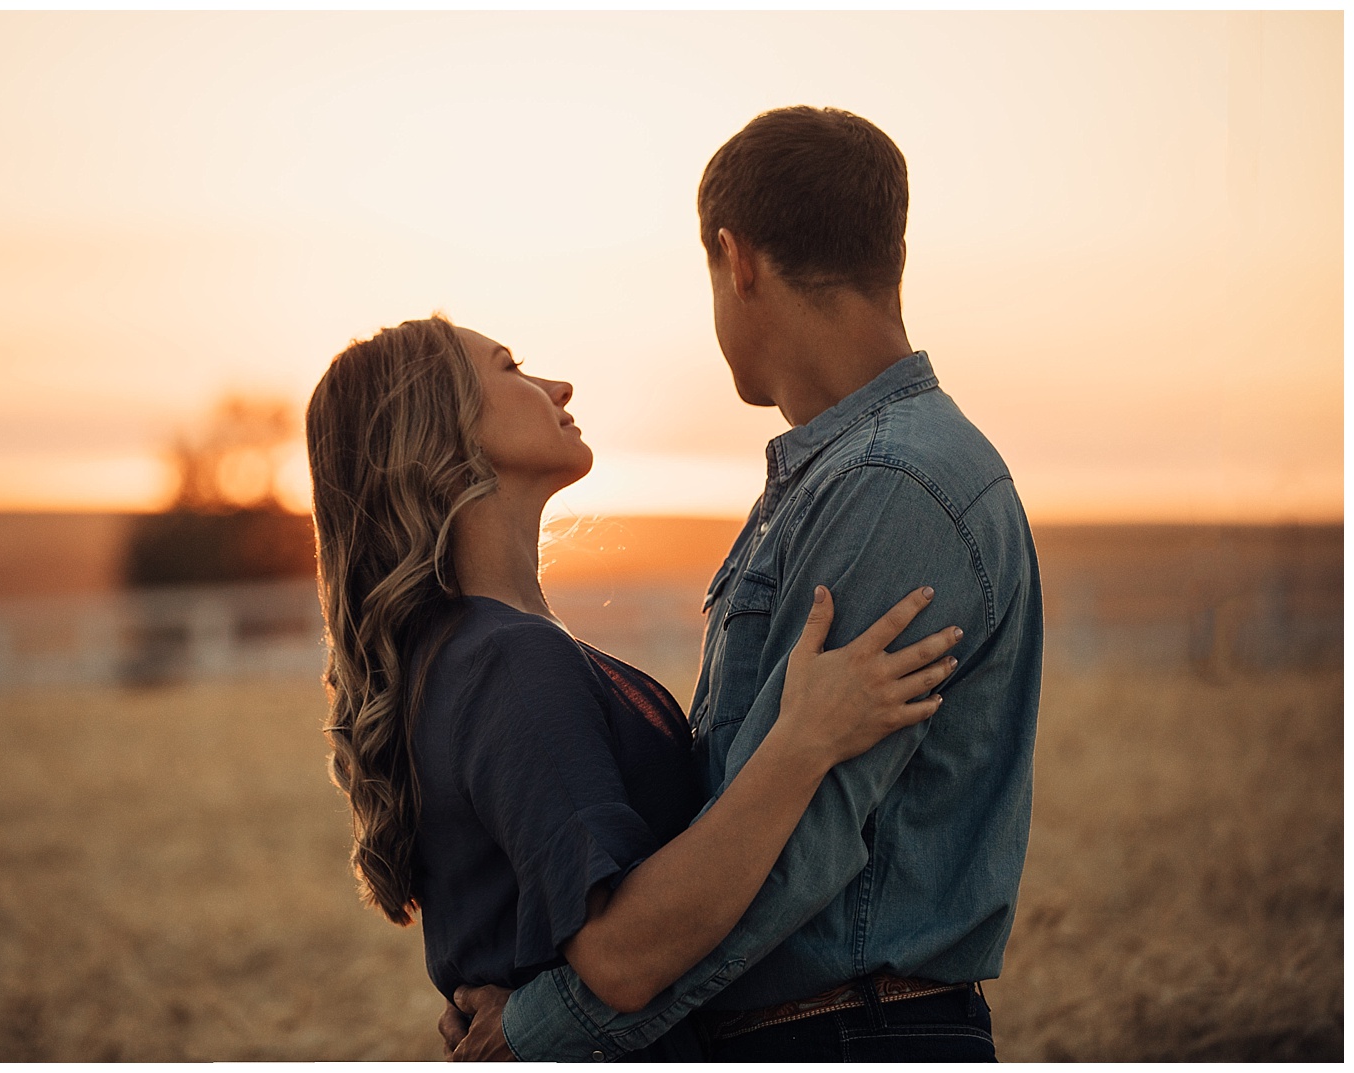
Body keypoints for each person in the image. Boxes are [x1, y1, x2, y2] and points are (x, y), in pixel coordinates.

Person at [441, 106, 1044, 1061]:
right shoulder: (843, 475)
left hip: (846, 1036)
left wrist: (541, 1029)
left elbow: (793, 847)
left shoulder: (891, 486)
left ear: (739, 258)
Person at [306, 314, 965, 1061]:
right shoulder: (509, 662)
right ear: (439, 431)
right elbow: (621, 958)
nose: (558, 385)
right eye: (511, 367)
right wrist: (806, 738)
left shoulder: (465, 654)